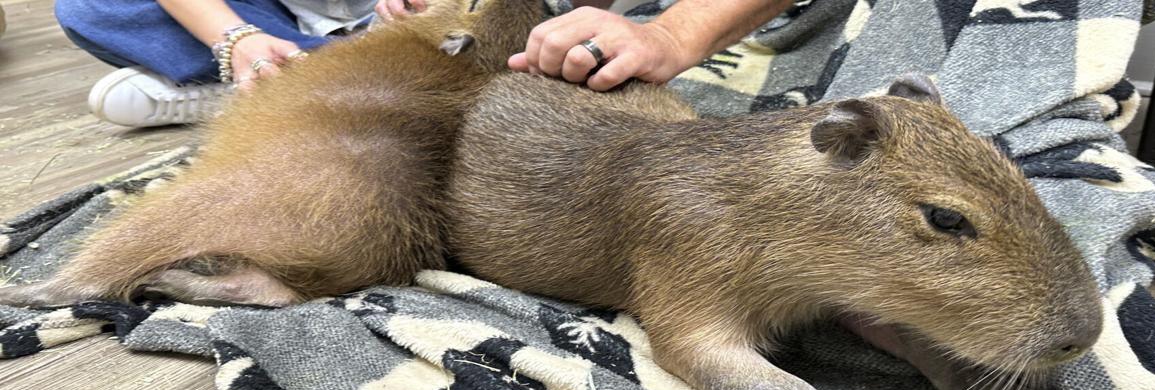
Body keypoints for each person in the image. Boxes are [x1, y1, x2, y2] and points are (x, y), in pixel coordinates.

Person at [58, 0, 789, 129]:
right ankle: (262, 74)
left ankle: (277, 89)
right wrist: (235, 38)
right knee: (94, 8)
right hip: (297, 20)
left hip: (463, 26)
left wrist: (671, 33)